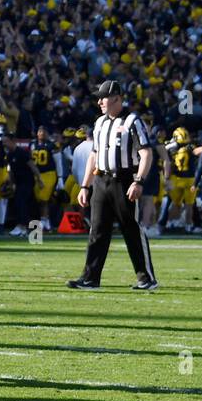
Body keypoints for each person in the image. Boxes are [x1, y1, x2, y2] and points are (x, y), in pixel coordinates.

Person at [67, 80, 158, 291]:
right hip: (101, 180)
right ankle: (90, 278)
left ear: (117, 98)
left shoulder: (132, 121)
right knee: (97, 230)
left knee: (131, 229)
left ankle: (146, 278)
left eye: (103, 97)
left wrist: (138, 181)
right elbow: (94, 155)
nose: (99, 101)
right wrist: (85, 186)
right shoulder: (100, 122)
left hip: (124, 179)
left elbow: (146, 153)